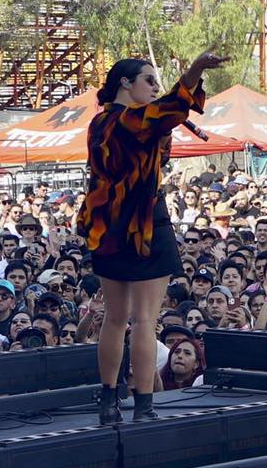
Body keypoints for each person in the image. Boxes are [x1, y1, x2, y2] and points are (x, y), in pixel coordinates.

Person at [81, 51, 228, 424]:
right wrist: (193, 70)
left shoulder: (99, 124)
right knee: (145, 320)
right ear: (125, 84)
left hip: (107, 224)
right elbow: (169, 108)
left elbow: (158, 125)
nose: (154, 87)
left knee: (115, 319)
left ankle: (108, 401)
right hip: (144, 221)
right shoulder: (131, 120)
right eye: (148, 80)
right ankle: (144, 407)